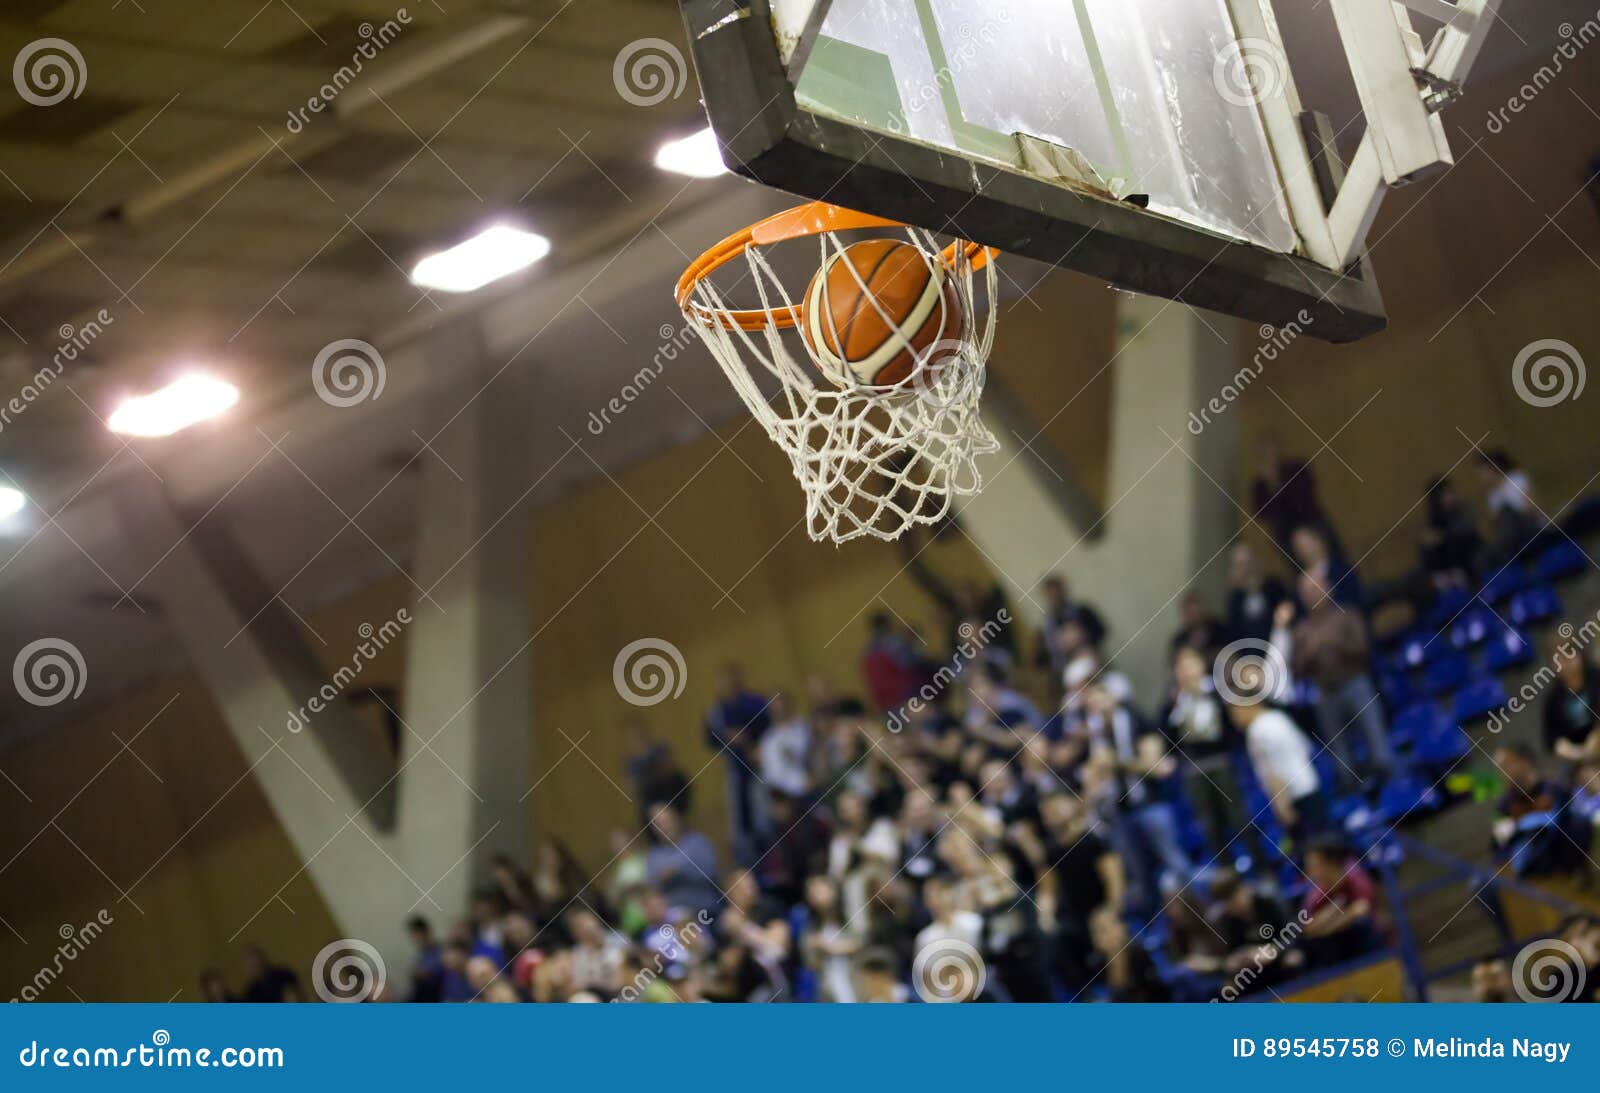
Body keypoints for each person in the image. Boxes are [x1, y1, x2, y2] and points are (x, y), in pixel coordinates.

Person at [1078, 682, 1191, 913]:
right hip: (1120, 812)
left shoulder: (1135, 718)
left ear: (1111, 697)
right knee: (1138, 878)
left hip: (1150, 803)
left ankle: (1197, 911)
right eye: (1090, 704)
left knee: (1175, 863)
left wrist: (1117, 762)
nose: (1096, 706)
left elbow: (1155, 767)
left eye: (1098, 699)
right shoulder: (1096, 736)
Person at [1275, 571, 1394, 791]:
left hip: (1356, 683)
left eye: (1316, 588)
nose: (1313, 594)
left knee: (1377, 740)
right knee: (1341, 757)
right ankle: (1354, 793)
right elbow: (1295, 671)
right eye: (1307, 591)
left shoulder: (1347, 615)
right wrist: (1310, 654)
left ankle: (1393, 781)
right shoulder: (1302, 631)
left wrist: (1334, 644)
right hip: (1325, 693)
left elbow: (1364, 650)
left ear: (1328, 588)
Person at [1225, 671, 1326, 848]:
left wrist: (1282, 805)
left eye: (1235, 710)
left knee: (1311, 851)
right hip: (1310, 785)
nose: (1233, 718)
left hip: (1294, 799)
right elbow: (1305, 747)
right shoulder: (1279, 717)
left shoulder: (1257, 731)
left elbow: (1272, 772)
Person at [1162, 645, 1243, 860]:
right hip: (1194, 769)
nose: (1187, 671)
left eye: (1191, 664)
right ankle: (1226, 868)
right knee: (1209, 824)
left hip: (1222, 760)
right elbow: (1170, 739)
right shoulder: (1174, 703)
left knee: (1238, 817)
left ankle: (1261, 866)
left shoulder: (1216, 691)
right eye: (1181, 667)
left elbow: (1231, 727)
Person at [705, 663, 773, 863]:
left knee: (763, 816)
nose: (726, 684)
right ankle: (751, 862)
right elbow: (711, 739)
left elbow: (768, 724)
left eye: (729, 679)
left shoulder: (754, 701)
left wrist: (748, 737)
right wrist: (727, 737)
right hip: (735, 770)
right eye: (722, 681)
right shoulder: (716, 712)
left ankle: (771, 856)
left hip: (759, 765)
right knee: (739, 821)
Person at [1492, 743, 1581, 877]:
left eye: (1506, 766)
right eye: (1499, 769)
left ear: (1524, 761)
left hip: (1562, 869)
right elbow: (1500, 853)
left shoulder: (1555, 789)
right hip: (1527, 878)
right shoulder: (1504, 806)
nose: (1503, 774)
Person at [1300, 837, 1385, 968]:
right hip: (1337, 949)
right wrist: (1329, 915)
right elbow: (1309, 928)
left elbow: (1360, 909)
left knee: (1361, 924)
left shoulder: (1355, 877)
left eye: (1314, 866)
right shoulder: (1317, 893)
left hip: (1367, 942)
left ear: (1331, 863)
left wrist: (1327, 925)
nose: (1310, 873)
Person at [644, 801, 722, 913]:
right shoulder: (653, 856)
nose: (664, 827)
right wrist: (661, 879)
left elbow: (711, 873)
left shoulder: (698, 843)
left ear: (676, 819)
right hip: (671, 916)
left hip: (704, 911)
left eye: (666, 821)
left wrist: (679, 871)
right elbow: (651, 888)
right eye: (658, 824)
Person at [1418, 475, 1482, 591]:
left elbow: (1467, 534)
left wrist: (1443, 537)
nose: (1450, 497)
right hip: (1444, 571)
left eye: (1450, 492)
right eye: (1444, 495)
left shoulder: (1464, 510)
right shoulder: (1433, 520)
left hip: (1468, 562)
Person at [622, 716, 689, 823]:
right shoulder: (632, 763)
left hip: (672, 798)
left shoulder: (659, 749)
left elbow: (669, 771)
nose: (636, 739)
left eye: (639, 734)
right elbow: (632, 787)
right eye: (631, 736)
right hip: (650, 806)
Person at [1476, 449, 1538, 563]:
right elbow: (1496, 527)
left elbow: (1533, 509)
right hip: (1511, 538)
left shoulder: (1517, 479)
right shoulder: (1492, 497)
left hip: (1529, 527)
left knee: (1506, 512)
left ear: (1493, 468)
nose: (1481, 477)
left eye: (1483, 472)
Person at [1224, 542, 1288, 645]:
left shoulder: (1274, 587)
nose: (1245, 569)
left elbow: (1286, 612)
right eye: (1239, 565)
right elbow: (1232, 635)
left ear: (1256, 563)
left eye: (1248, 563)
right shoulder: (1235, 599)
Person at [1546, 641, 1600, 761]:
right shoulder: (1552, 699)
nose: (1566, 661)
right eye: (1559, 657)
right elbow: (1551, 740)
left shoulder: (1596, 677)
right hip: (1577, 757)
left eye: (1570, 653)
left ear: (1581, 654)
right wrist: (1572, 752)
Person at [758, 691, 813, 800]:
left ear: (789, 706)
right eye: (775, 709)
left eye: (782, 706)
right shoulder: (768, 739)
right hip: (779, 793)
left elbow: (810, 755)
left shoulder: (804, 727)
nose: (779, 711)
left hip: (804, 785)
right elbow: (770, 774)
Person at [405, 915, 444, 1003]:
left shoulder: (438, 950)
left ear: (426, 932)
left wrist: (422, 973)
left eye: (417, 934)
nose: (415, 938)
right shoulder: (421, 953)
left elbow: (437, 971)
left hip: (435, 994)